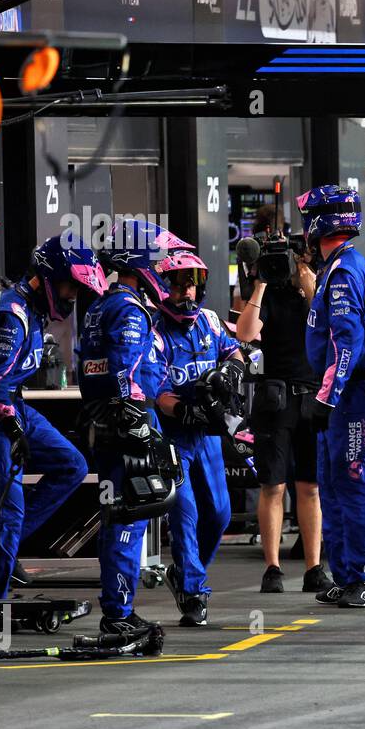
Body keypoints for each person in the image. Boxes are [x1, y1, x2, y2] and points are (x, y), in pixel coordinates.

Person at [0, 234, 106, 601]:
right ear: (49, 278)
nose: (74, 295)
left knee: (72, 465)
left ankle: (1, 547)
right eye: (70, 285)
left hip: (16, 406)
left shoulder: (32, 310)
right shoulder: (12, 316)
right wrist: (11, 426)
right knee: (7, 512)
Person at [81, 221, 178, 633]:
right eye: (156, 258)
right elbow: (127, 368)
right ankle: (118, 614)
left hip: (104, 420)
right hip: (126, 423)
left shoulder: (100, 304)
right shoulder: (128, 307)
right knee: (130, 514)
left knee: (116, 513)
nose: (161, 265)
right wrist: (135, 416)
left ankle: (117, 607)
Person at [237, 208, 326, 595]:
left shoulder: (315, 289)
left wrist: (309, 286)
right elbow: (245, 333)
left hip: (311, 395)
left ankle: (314, 566)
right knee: (272, 485)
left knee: (309, 487)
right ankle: (272, 567)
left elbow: (330, 326)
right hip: (276, 398)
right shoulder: (268, 292)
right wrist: (259, 283)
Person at [155, 251, 245, 626]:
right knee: (185, 514)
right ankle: (194, 591)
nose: (185, 291)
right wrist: (183, 409)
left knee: (221, 513)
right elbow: (154, 392)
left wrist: (232, 370)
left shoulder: (209, 320)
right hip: (175, 432)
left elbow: (236, 350)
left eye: (190, 282)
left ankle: (187, 572)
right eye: (177, 283)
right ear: (163, 286)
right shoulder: (152, 327)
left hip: (208, 433)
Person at [301, 185, 365, 609]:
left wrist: (327, 398)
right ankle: (346, 574)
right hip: (336, 392)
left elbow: (345, 341)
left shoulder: (345, 271)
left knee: (350, 482)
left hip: (345, 396)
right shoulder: (337, 267)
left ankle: (362, 580)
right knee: (331, 485)